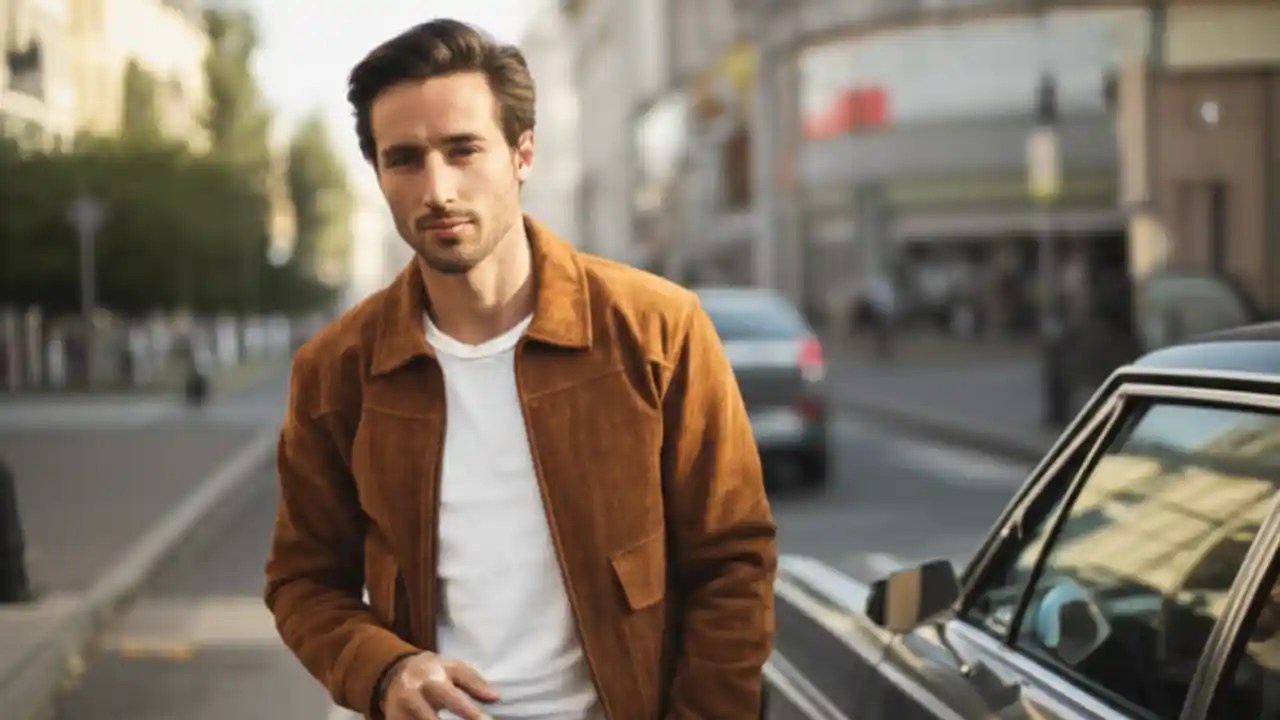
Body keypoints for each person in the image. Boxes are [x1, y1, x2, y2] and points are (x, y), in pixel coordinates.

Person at [264, 19, 777, 720]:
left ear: (521, 154)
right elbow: (303, 580)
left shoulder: (656, 329)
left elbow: (732, 561)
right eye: (405, 159)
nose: (436, 188)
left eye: (463, 149)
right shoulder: (336, 372)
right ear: (379, 172)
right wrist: (384, 671)